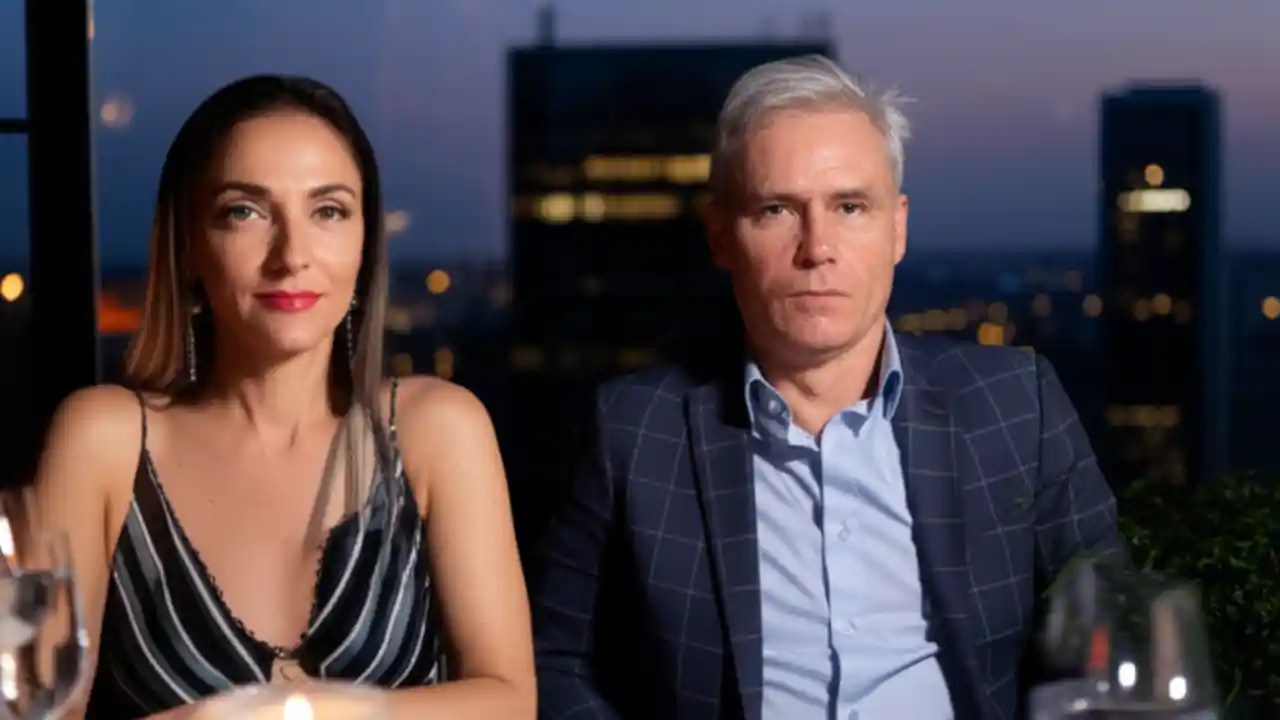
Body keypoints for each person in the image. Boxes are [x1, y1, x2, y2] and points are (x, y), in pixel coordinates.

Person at [531, 55, 1126, 720]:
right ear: (722, 237)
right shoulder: (634, 430)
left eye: (850, 206)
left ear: (896, 228)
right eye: (778, 209)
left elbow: (1111, 641)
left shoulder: (1015, 404)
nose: (817, 247)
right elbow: (552, 663)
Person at [28, 75, 534, 719]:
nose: (292, 255)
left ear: (363, 242)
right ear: (189, 246)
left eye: (328, 211)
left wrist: (316, 710)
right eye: (245, 211)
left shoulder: (438, 428)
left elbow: (510, 702)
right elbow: (35, 710)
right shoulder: (103, 439)